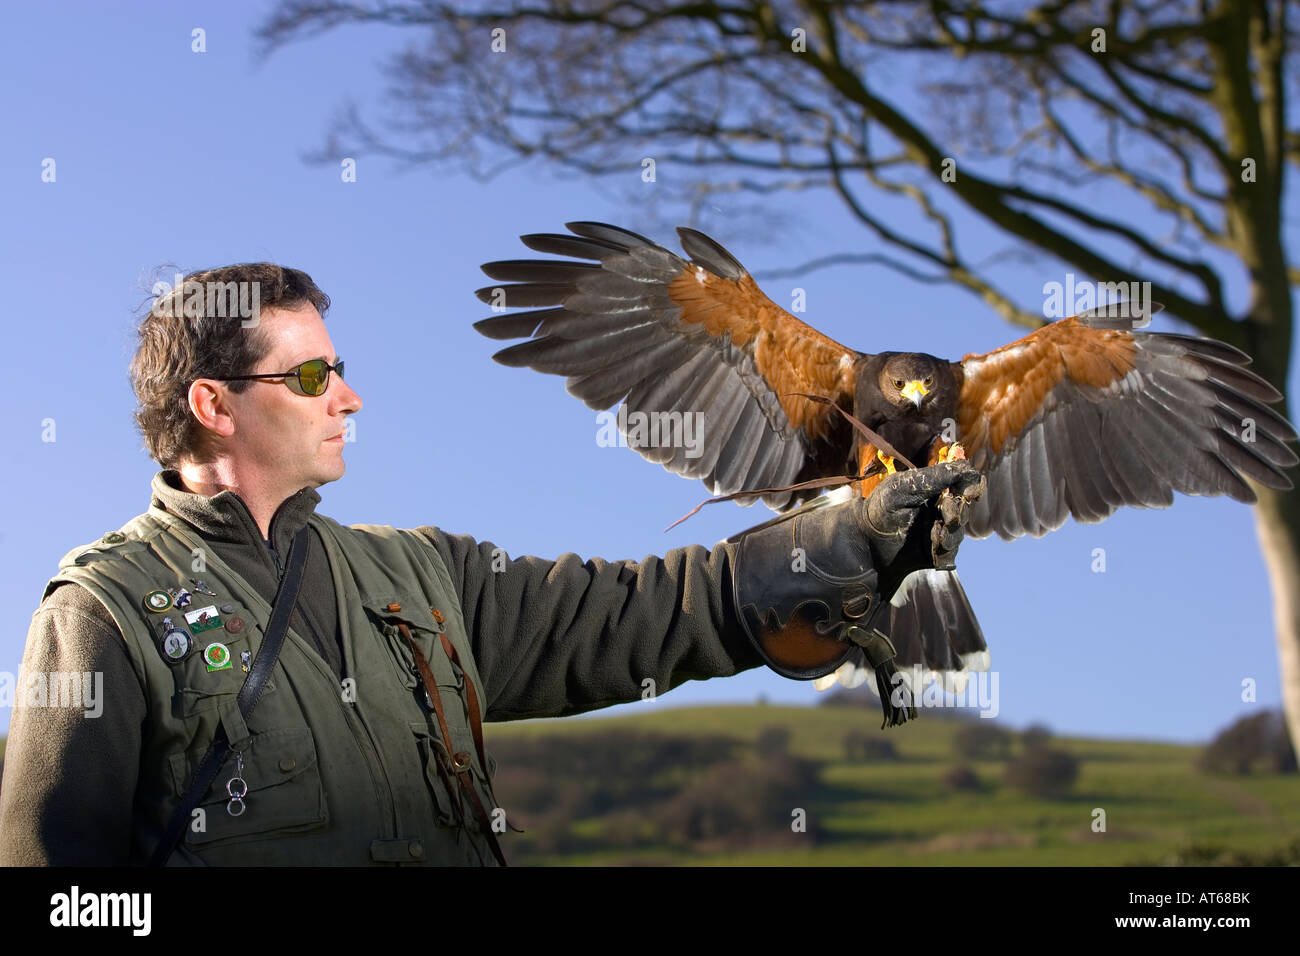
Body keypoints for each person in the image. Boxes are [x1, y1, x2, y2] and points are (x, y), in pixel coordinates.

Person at [0, 264, 982, 866]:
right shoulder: (108, 607)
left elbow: (626, 615)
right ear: (214, 405)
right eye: (311, 375)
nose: (347, 397)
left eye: (338, 368)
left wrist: (837, 543)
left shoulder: (420, 576)